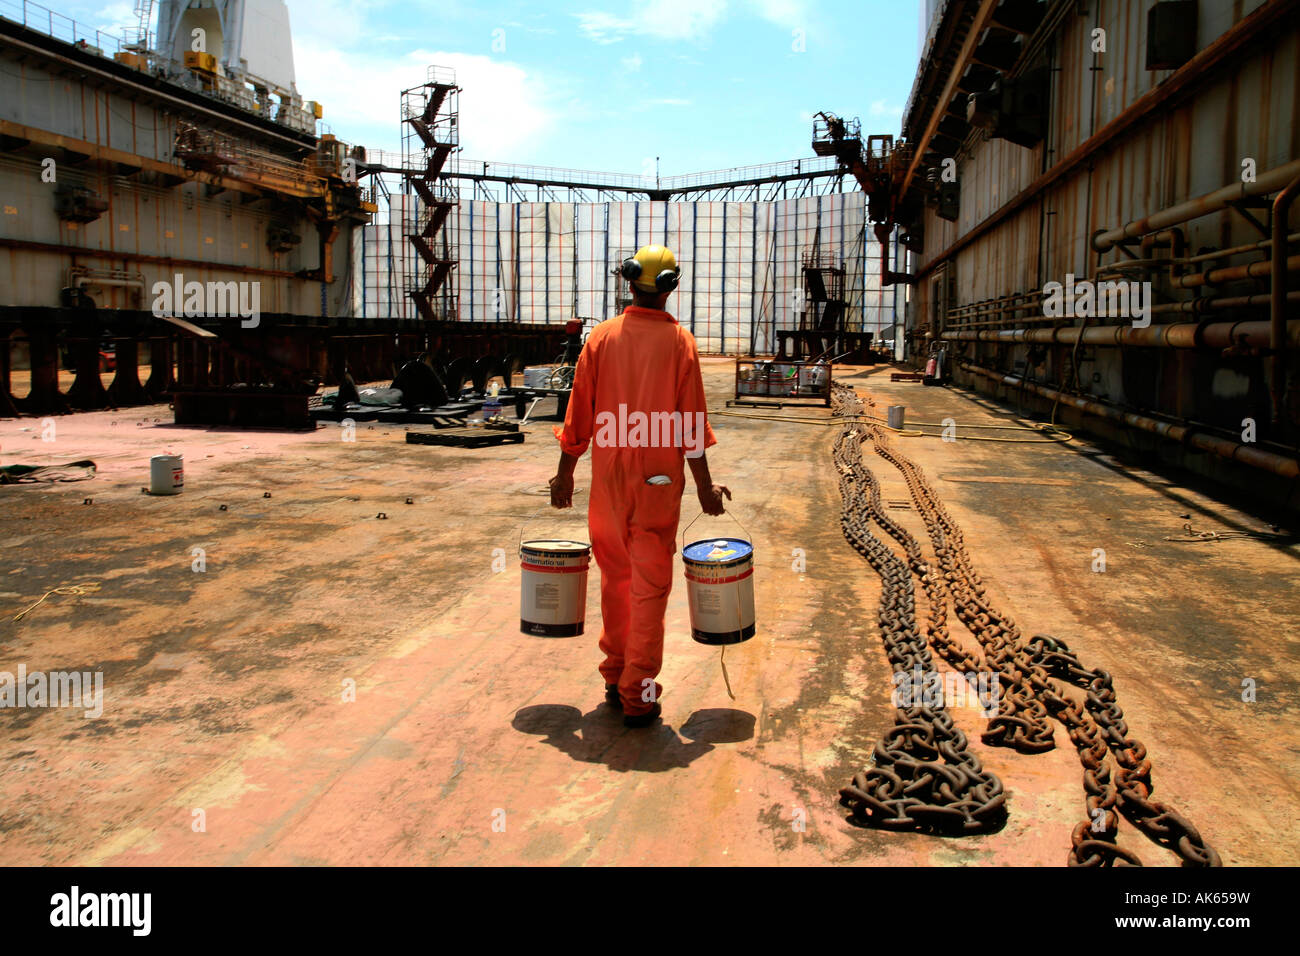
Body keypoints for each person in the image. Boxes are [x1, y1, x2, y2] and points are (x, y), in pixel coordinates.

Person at [549, 244, 731, 728]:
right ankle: (639, 694)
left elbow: (578, 412)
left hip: (608, 484)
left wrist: (566, 473)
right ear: (671, 286)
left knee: (616, 579)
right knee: (649, 588)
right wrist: (706, 490)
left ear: (628, 282)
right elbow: (690, 426)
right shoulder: (680, 344)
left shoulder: (601, 338)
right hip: (658, 482)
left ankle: (614, 675)